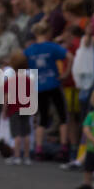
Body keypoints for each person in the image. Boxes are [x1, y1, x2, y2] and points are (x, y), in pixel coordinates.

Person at [24, 20, 68, 157]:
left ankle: (38, 147)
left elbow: (22, 63)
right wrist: (65, 74)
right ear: (48, 33)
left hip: (38, 85)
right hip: (53, 83)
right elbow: (69, 56)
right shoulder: (52, 47)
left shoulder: (30, 50)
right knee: (62, 115)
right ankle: (64, 146)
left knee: (42, 116)